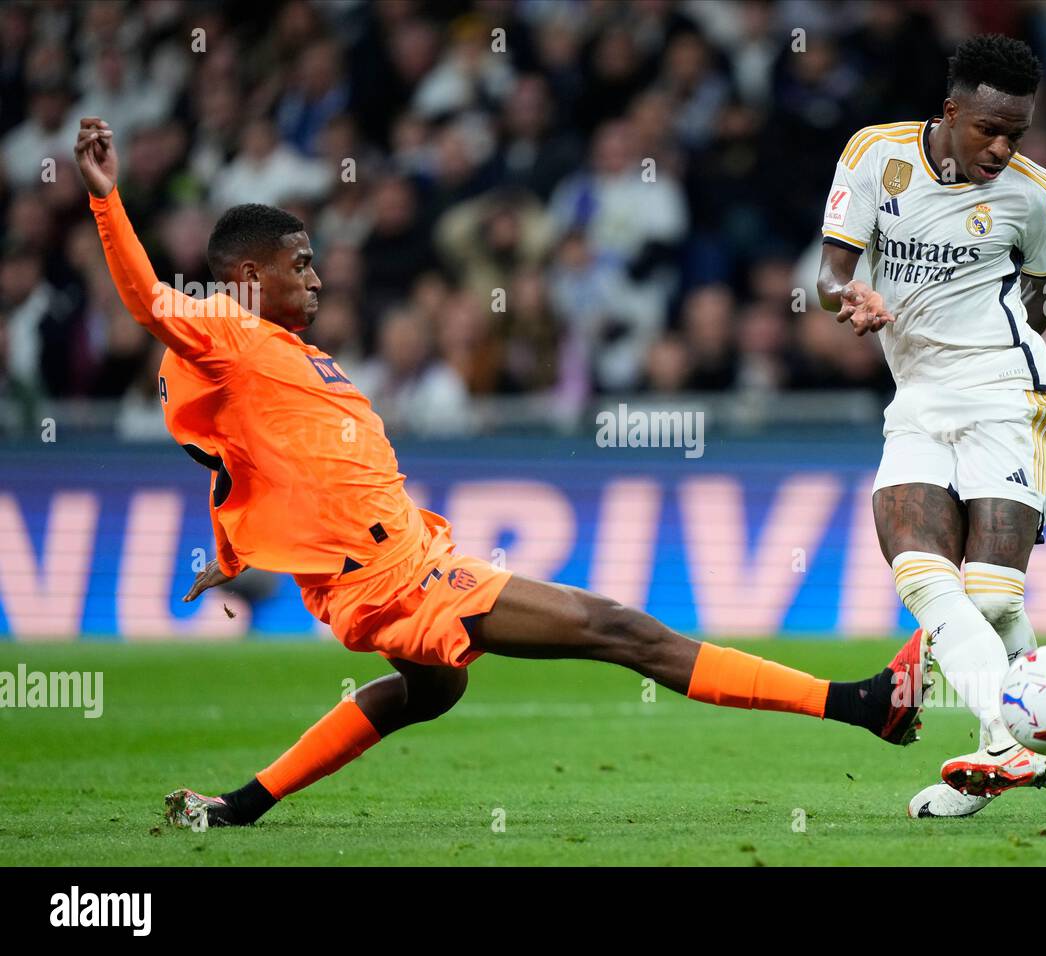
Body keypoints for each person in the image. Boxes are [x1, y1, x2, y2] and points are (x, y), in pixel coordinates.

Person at [75, 116, 930, 829]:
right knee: (620, 629)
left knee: (429, 694)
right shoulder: (223, 330)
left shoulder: (272, 356)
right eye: (301, 263)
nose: (319, 276)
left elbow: (249, 463)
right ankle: (864, 704)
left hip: (396, 562)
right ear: (246, 276)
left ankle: (239, 808)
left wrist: (231, 547)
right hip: (397, 577)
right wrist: (108, 198)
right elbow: (149, 299)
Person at [815, 35, 1046, 818]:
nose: (1002, 148)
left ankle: (999, 741)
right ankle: (1010, 747)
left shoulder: (1034, 195)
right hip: (918, 399)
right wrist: (846, 297)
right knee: (926, 580)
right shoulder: (874, 157)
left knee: (990, 596)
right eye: (989, 129)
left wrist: (1000, 343)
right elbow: (831, 273)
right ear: (951, 111)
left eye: (1017, 134)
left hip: (1009, 395)